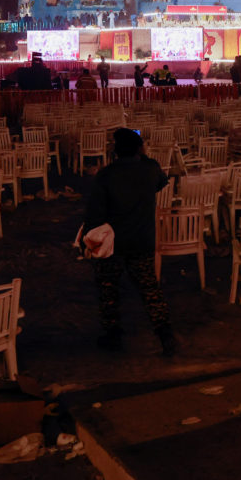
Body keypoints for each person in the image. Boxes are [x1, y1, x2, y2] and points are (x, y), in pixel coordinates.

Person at [83, 128, 177, 356]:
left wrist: (88, 240)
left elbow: (95, 215)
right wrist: (142, 157)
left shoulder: (106, 175)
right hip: (142, 239)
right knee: (149, 288)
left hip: (113, 244)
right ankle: (165, 334)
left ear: (115, 150)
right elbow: (161, 181)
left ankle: (113, 335)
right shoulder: (150, 169)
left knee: (108, 290)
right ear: (139, 148)